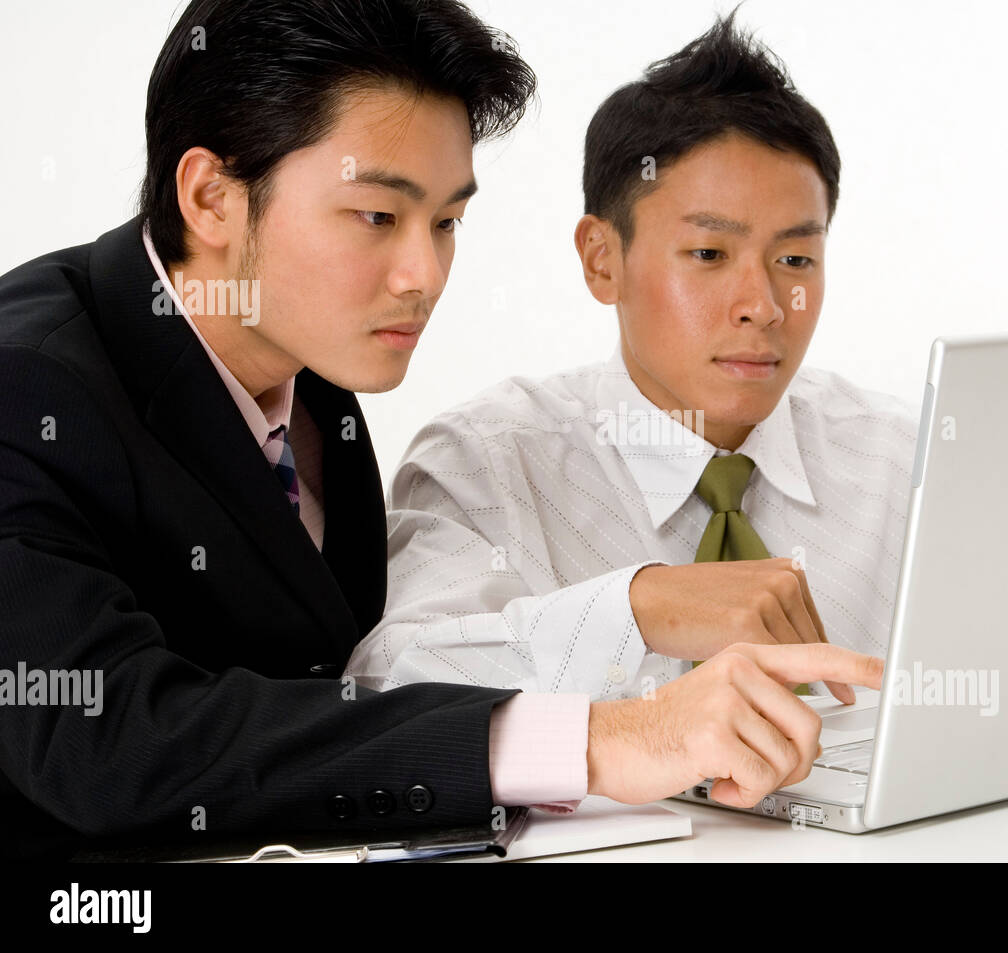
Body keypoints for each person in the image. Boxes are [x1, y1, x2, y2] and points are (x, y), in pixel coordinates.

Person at [0, 0, 882, 861]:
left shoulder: (312, 387)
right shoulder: (24, 380)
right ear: (212, 196)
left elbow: (325, 696)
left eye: (448, 221)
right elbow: (110, 741)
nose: (424, 275)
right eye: (379, 217)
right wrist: (598, 739)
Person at [346, 15, 916, 710]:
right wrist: (636, 606)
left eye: (795, 259)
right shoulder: (488, 465)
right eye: (708, 255)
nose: (763, 305)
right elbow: (395, 680)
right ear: (601, 259)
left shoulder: (904, 463)